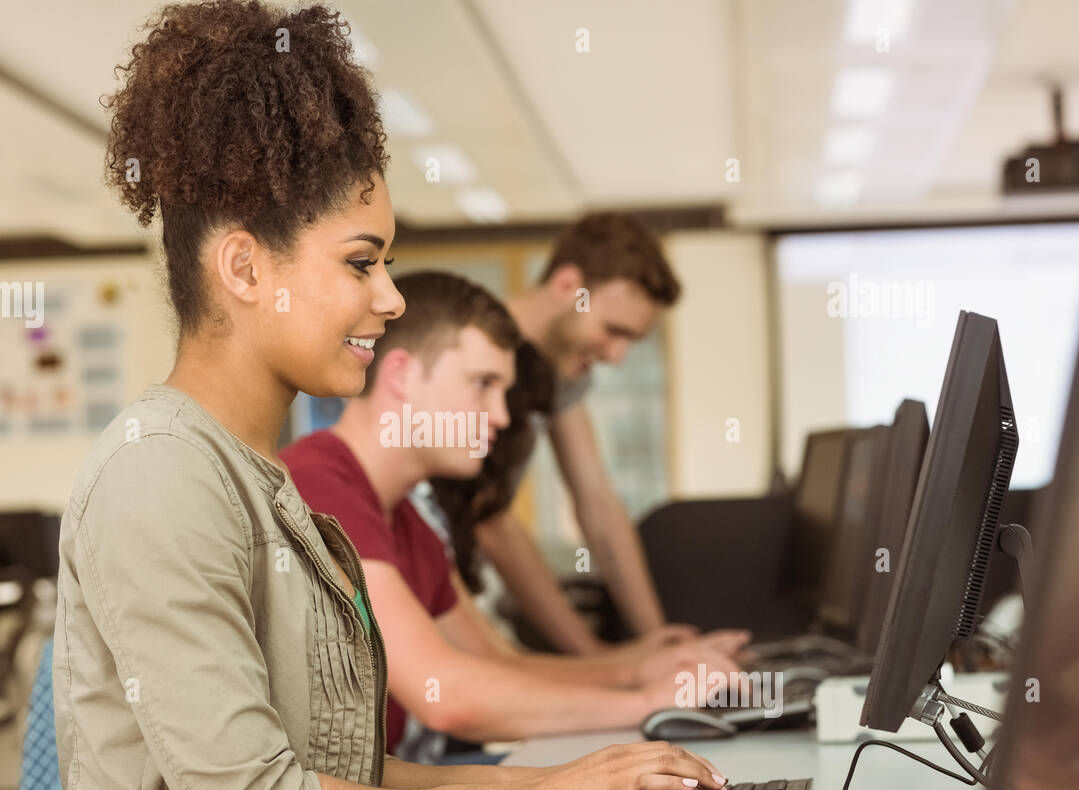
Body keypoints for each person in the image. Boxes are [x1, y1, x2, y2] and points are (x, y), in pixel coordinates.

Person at [48, 0, 729, 790]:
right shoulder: (160, 477)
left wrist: (570, 783)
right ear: (246, 268)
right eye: (360, 262)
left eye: (387, 265)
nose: (391, 298)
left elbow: (342, 775)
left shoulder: (262, 482)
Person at [282, 271, 750, 758]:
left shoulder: (408, 519)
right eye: (482, 384)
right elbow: (447, 697)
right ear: (402, 375)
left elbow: (492, 663)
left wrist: (637, 671)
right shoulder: (319, 488)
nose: (502, 416)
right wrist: (649, 702)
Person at [477, 212, 687, 654]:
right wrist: (597, 659)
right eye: (613, 330)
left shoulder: (560, 371)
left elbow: (598, 504)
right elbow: (488, 518)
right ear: (568, 285)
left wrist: (659, 643)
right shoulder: (477, 354)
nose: (617, 356)